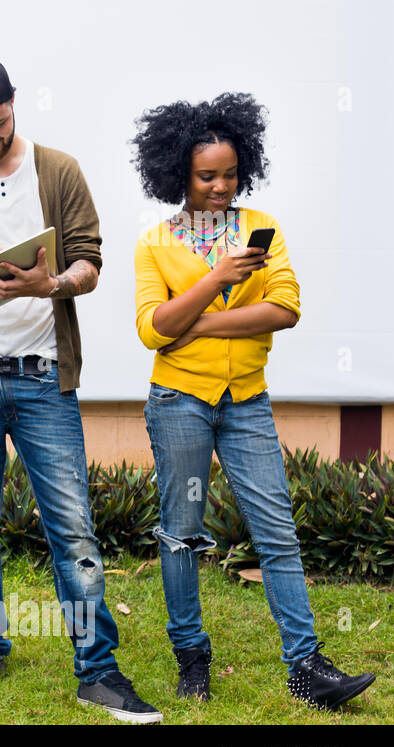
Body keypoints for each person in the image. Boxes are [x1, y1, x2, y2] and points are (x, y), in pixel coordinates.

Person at [0, 58, 160, 722]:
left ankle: (99, 671)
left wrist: (45, 284)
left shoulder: (58, 170)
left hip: (42, 375)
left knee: (73, 530)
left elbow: (90, 263)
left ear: (15, 104)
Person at [131, 92, 375, 710]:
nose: (220, 187)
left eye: (231, 174)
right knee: (182, 534)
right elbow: (151, 330)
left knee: (278, 531)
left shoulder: (261, 230)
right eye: (206, 176)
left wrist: (202, 323)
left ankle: (306, 666)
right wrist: (217, 281)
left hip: (246, 402)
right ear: (178, 174)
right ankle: (192, 657)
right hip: (180, 400)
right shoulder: (155, 243)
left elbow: (285, 308)